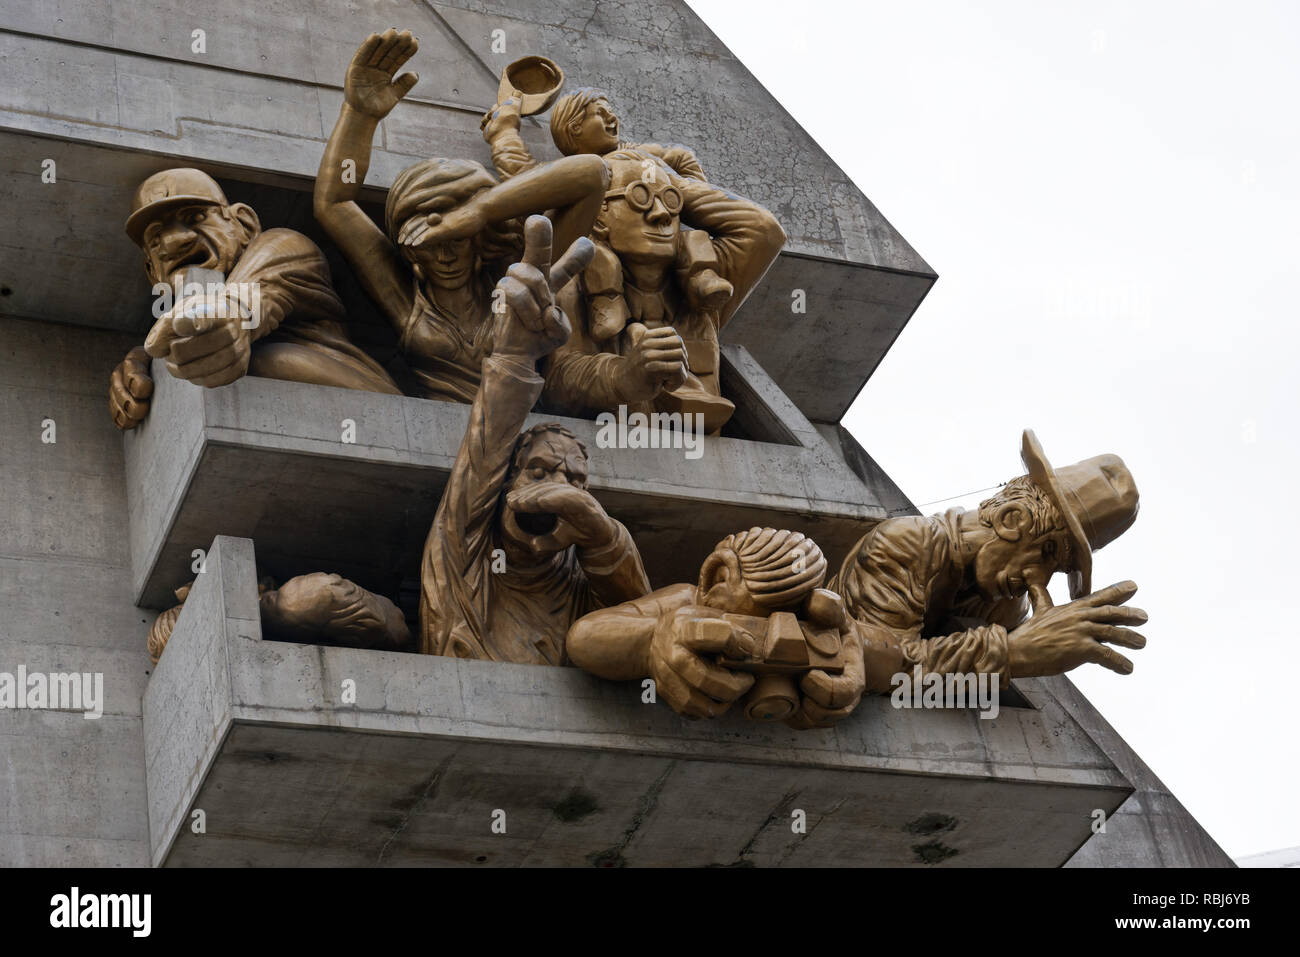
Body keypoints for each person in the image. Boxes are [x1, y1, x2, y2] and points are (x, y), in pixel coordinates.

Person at [314, 29, 609, 404]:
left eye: (455, 239)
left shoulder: (517, 274)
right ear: (410, 252)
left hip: (526, 439)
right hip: (436, 438)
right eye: (428, 246)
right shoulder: (407, 299)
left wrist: (478, 211)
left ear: (479, 237)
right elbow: (334, 204)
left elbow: (591, 175)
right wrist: (359, 115)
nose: (445, 256)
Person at [481, 82, 786, 432]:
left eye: (670, 204)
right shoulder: (572, 273)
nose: (660, 215)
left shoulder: (701, 283)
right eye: (639, 198)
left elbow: (762, 229)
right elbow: (558, 376)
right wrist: (627, 375)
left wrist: (658, 175)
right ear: (598, 216)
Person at [419, 215, 652, 664]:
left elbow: (639, 616)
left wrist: (601, 534)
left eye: (574, 483)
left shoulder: (578, 585)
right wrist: (515, 355)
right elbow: (483, 456)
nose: (555, 491)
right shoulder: (465, 552)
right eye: (540, 472)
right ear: (506, 483)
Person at [832, 430, 1148, 687]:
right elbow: (872, 663)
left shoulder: (1006, 607)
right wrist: (1013, 652)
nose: (1038, 581)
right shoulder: (908, 541)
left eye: (1057, 569)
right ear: (1012, 519)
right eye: (1047, 552)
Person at [109, 168, 400, 430]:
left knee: (273, 361)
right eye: (156, 238)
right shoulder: (176, 302)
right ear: (152, 272)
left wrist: (229, 316)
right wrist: (148, 360)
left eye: (196, 218)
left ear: (244, 225)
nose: (175, 242)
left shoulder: (284, 247)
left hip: (382, 418)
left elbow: (254, 293)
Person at [566, 527, 878, 729]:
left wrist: (848, 642)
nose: (778, 638)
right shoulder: (688, 600)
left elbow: (902, 654)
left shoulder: (822, 619)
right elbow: (585, 637)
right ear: (718, 577)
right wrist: (655, 639)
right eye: (757, 625)